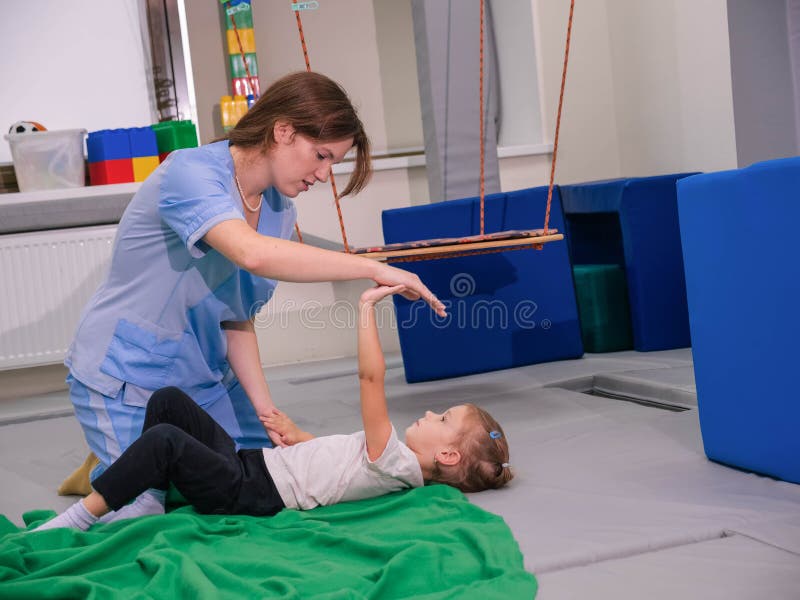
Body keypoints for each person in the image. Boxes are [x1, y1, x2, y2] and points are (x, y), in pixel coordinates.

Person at [63, 71, 446, 523]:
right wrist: (369, 267)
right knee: (144, 515)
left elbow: (237, 318)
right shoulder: (189, 173)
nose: (324, 175)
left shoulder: (280, 210)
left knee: (259, 479)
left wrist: (267, 411)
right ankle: (111, 455)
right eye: (321, 156)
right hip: (125, 375)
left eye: (333, 163)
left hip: (202, 379)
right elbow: (253, 255)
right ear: (283, 130)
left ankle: (122, 456)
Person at [34, 285, 510, 532]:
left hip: (248, 491)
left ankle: (84, 515)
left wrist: (367, 307)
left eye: (442, 420)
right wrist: (298, 435)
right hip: (253, 465)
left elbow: (370, 379)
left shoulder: (395, 458)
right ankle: (152, 502)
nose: (429, 415)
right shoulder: (388, 460)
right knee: (167, 402)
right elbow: (338, 465)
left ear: (447, 457)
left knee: (164, 441)